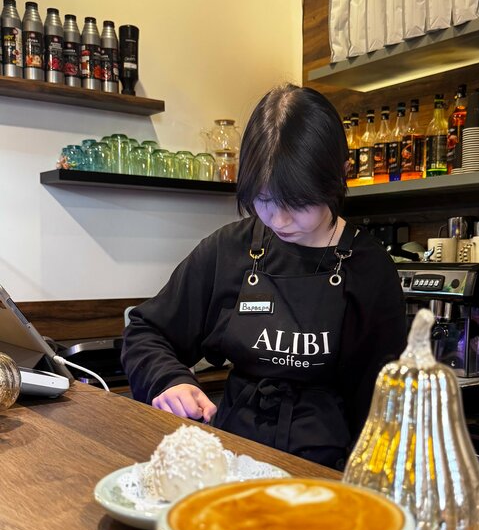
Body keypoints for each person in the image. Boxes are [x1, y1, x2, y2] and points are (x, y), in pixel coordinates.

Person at [121, 84, 406, 469]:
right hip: (232, 457)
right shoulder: (230, 249)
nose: (279, 220)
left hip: (324, 470)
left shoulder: (369, 269)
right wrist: (171, 381)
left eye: (299, 202)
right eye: (266, 199)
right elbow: (145, 331)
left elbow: (384, 407)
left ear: (340, 175)